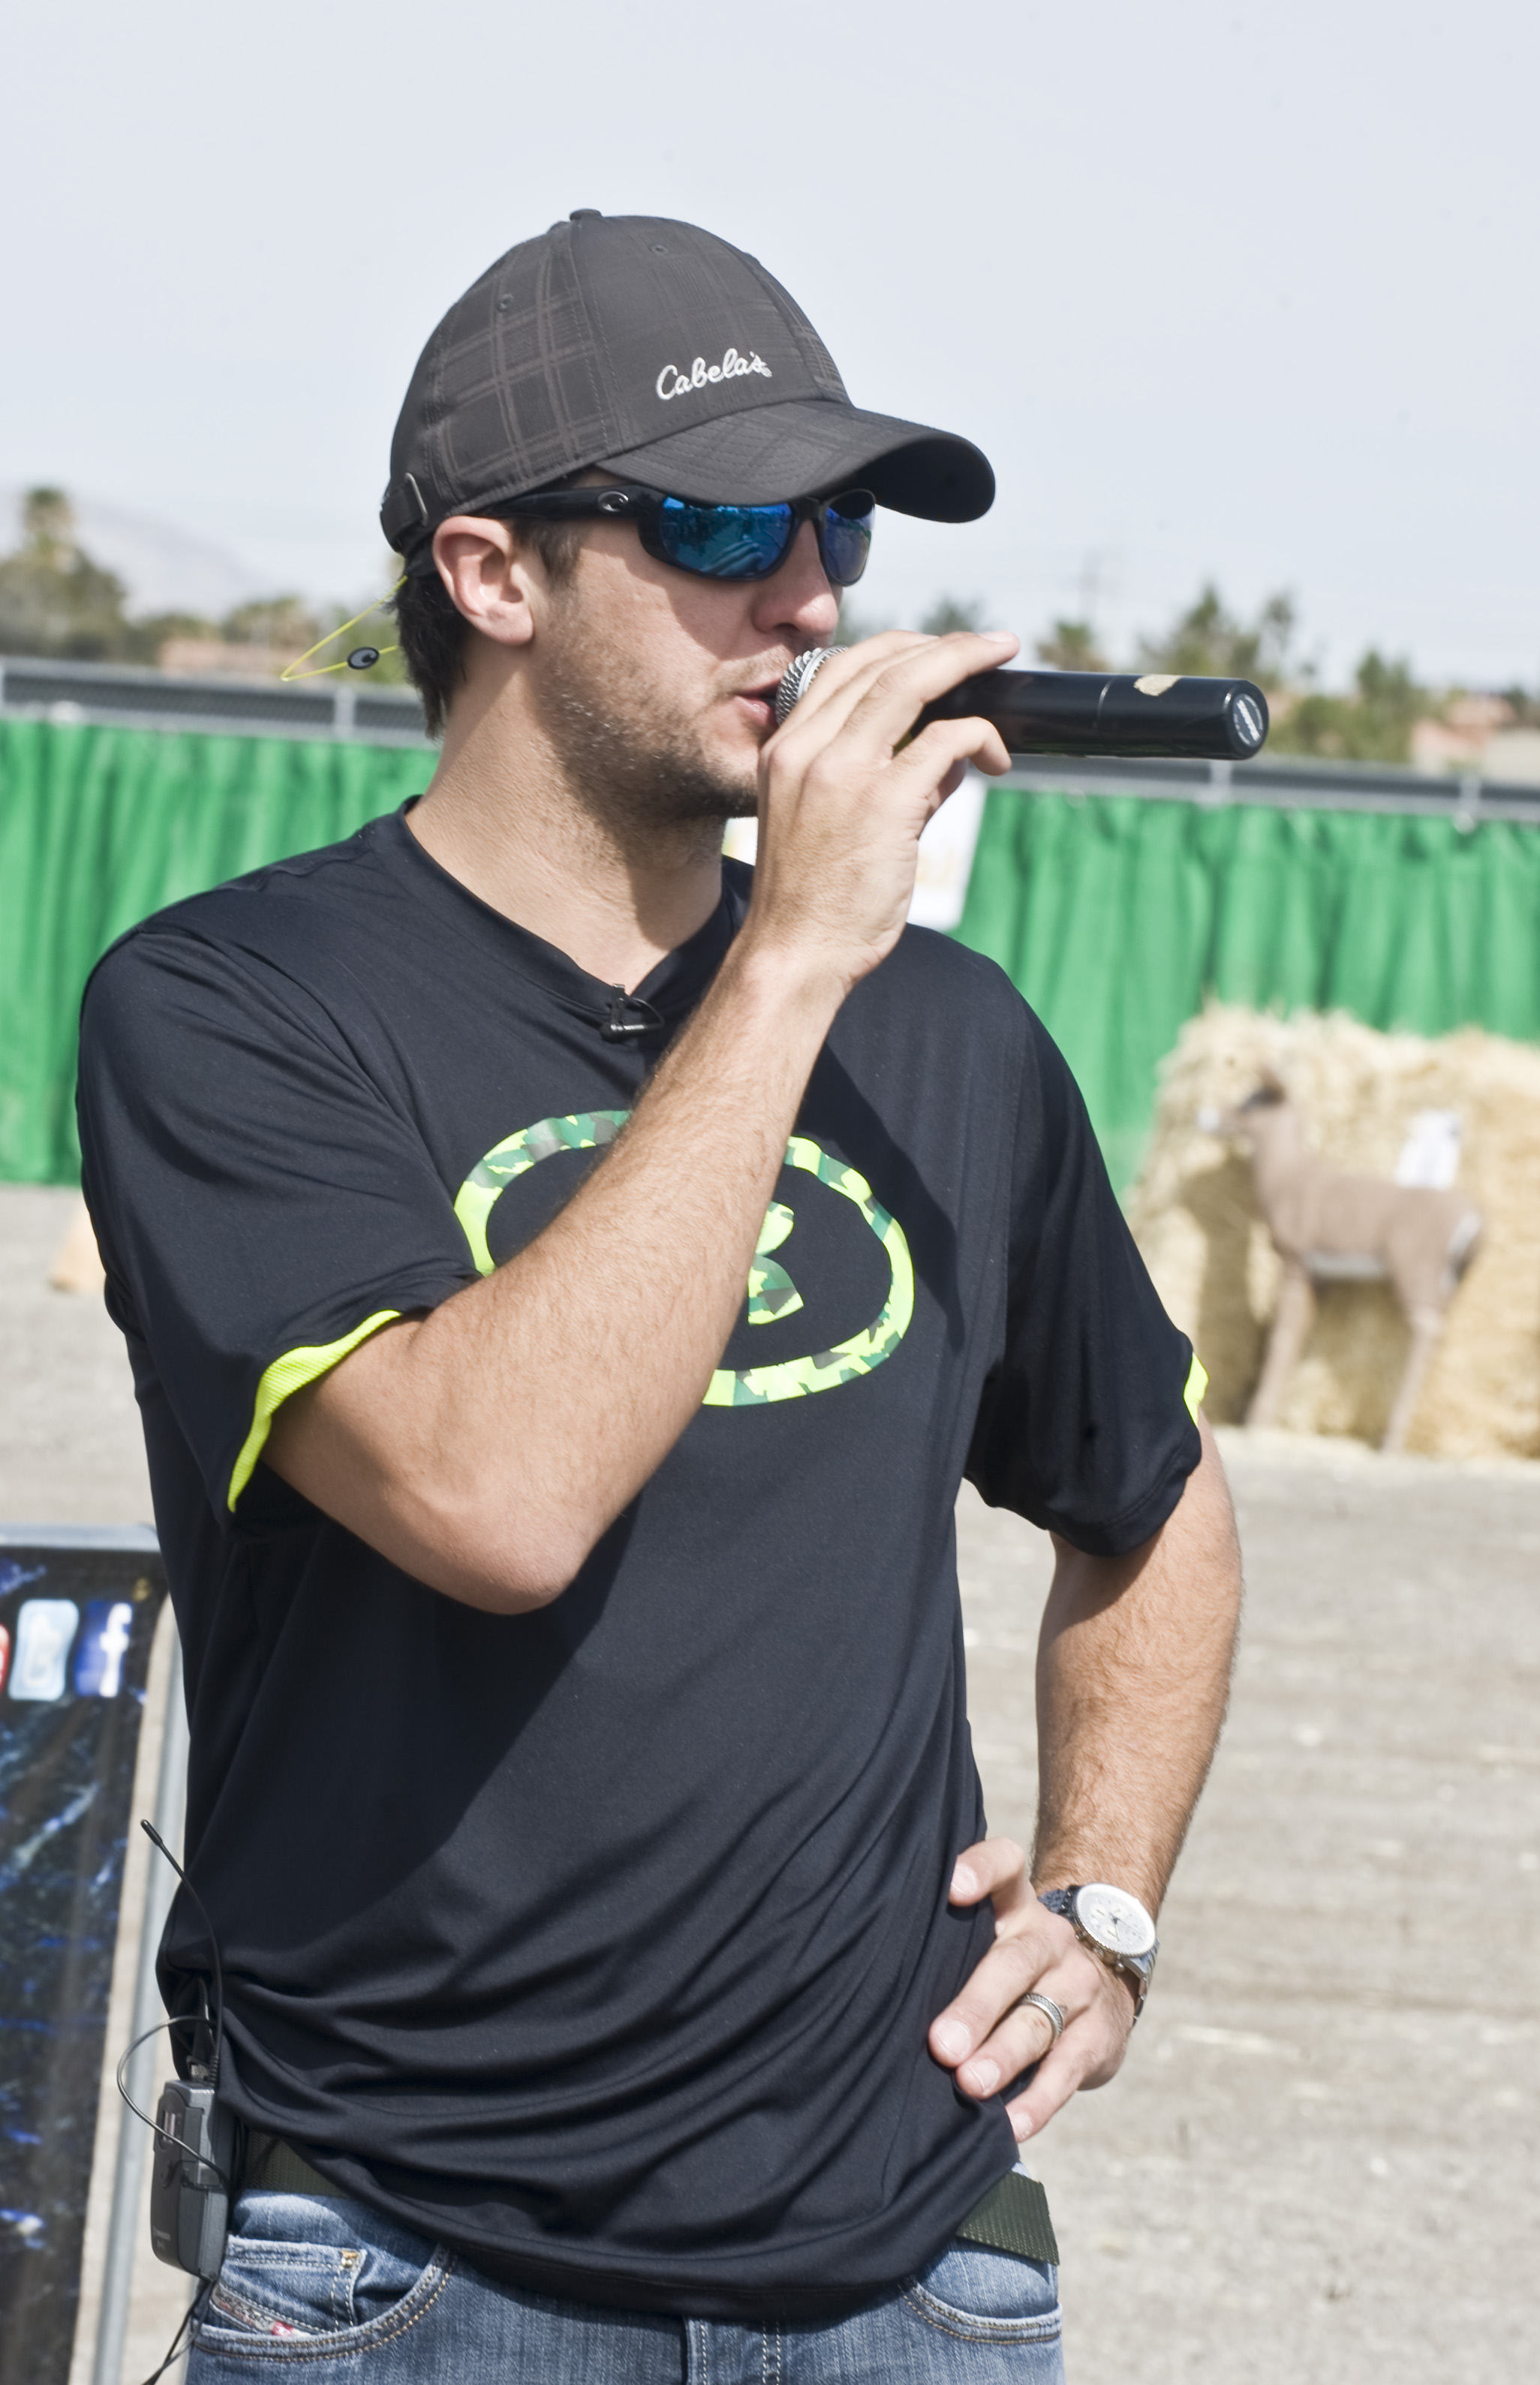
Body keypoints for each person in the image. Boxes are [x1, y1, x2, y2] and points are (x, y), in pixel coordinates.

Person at [78, 211, 1241, 2381]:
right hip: (411, 2276)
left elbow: (1148, 1494)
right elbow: (494, 1498)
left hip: (914, 2278)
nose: (806, 597)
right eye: (720, 523)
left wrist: (1101, 1901)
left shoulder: (953, 1040)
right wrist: (792, 953)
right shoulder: (233, 1009)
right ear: (491, 575)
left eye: (836, 529)